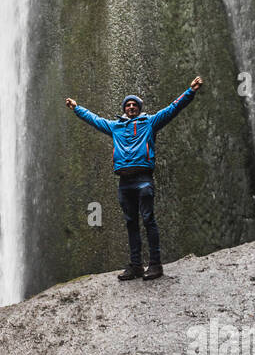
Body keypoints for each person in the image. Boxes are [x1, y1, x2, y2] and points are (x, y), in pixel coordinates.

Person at [65, 77, 203, 280]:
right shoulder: (115, 127)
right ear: (124, 109)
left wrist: (190, 91)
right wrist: (77, 108)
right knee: (131, 222)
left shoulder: (150, 123)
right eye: (128, 105)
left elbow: (173, 108)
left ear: (139, 108)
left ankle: (155, 265)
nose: (131, 107)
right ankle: (136, 265)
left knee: (148, 219)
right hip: (124, 181)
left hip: (143, 178)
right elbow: (94, 119)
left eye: (134, 105)